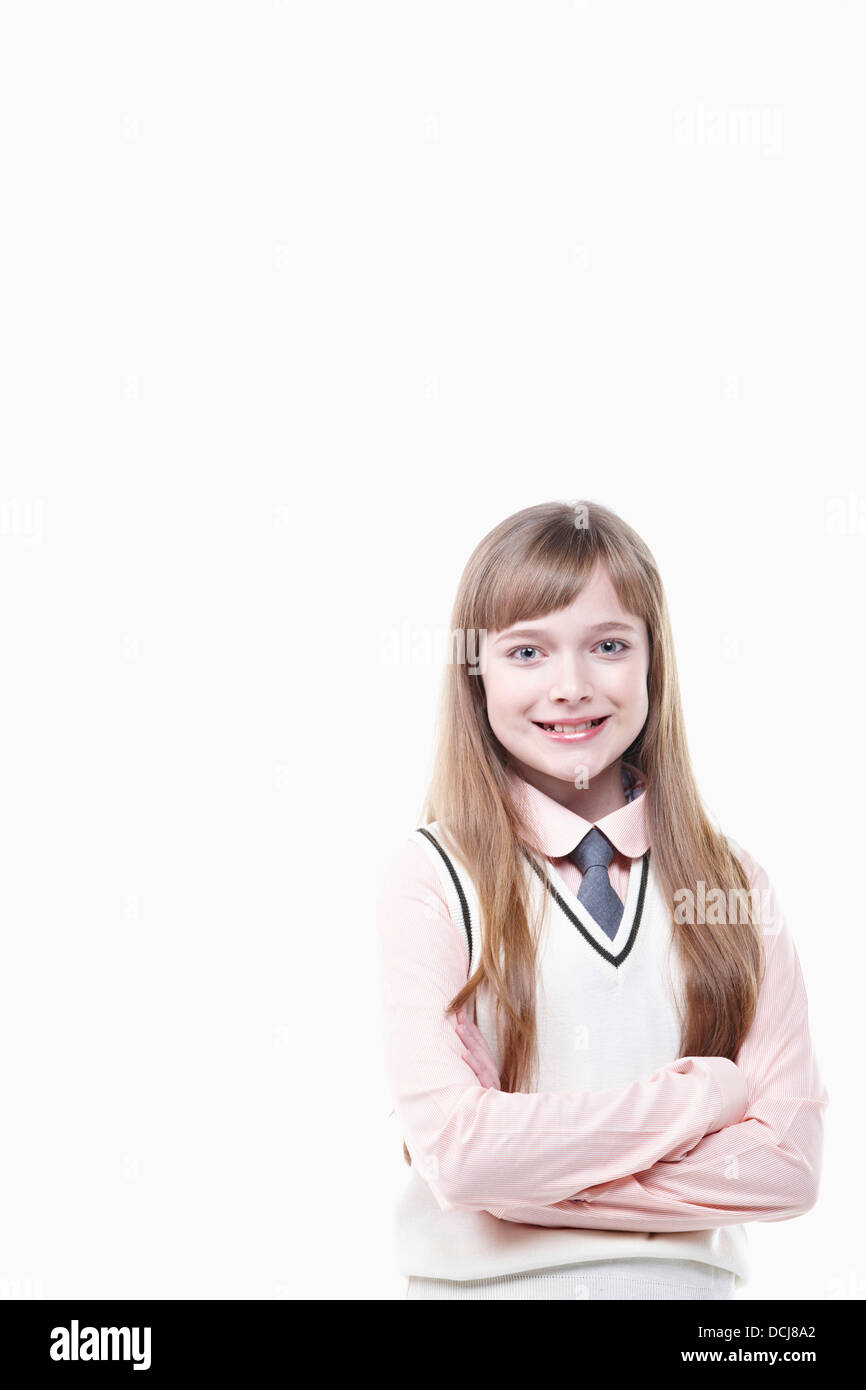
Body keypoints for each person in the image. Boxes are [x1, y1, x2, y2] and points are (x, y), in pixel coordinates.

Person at [376, 499, 828, 1300]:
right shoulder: (435, 878)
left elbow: (787, 1168)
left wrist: (523, 1181)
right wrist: (704, 1096)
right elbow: (459, 1151)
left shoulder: (734, 887)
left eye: (609, 646)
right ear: (476, 673)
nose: (571, 686)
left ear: (654, 661)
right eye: (527, 652)